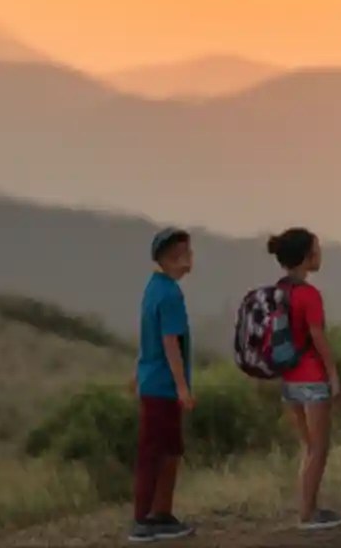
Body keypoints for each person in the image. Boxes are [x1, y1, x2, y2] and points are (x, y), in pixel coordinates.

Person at [268, 228, 341, 531]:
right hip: (312, 378)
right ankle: (308, 514)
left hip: (289, 379)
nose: (320, 253)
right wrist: (333, 375)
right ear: (306, 257)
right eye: (316, 249)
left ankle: (307, 507)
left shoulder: (280, 292)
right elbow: (318, 337)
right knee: (318, 449)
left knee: (308, 448)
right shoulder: (309, 295)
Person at [129, 227, 197, 543]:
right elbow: (171, 342)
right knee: (155, 453)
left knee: (169, 451)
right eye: (185, 254)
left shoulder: (153, 287)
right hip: (162, 386)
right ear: (172, 258)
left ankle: (161, 514)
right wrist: (182, 387)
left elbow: (148, 337)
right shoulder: (170, 294)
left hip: (151, 381)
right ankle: (143, 520)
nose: (190, 260)